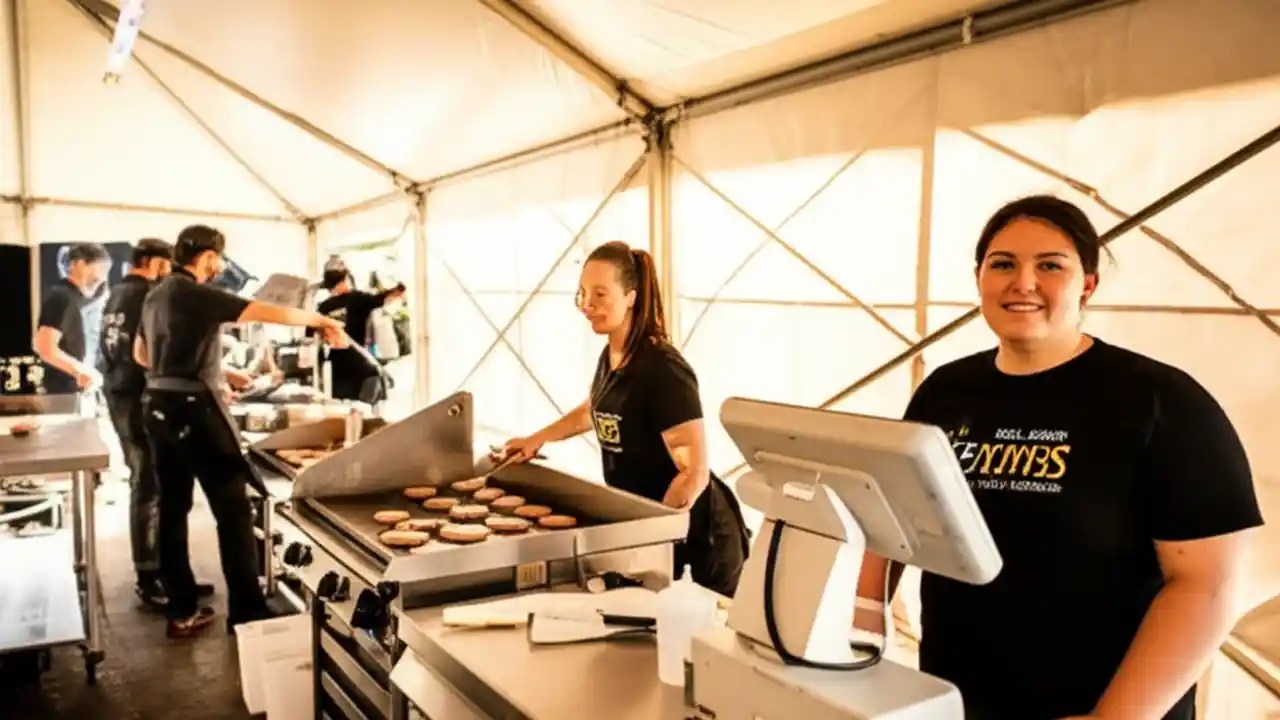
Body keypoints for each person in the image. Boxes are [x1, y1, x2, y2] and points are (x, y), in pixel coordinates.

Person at [854, 195, 1263, 720]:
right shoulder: (945, 392)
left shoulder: (1160, 403)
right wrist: (857, 636)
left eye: (1050, 265)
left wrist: (1115, 718)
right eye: (1003, 264)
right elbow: (893, 524)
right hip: (953, 701)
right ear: (979, 276)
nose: (1023, 283)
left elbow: (1209, 583)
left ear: (1087, 283)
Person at [499, 241, 751, 597]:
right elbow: (595, 410)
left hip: (698, 538)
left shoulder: (663, 369)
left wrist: (648, 537)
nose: (587, 305)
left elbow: (693, 473)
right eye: (583, 293)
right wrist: (536, 438)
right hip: (646, 527)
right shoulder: (612, 356)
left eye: (600, 294)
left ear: (631, 297)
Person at [135, 225, 347, 638]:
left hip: (156, 406)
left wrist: (215, 374)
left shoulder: (155, 294)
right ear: (209, 257)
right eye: (218, 258)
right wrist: (322, 320)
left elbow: (141, 353)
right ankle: (247, 614)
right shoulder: (197, 293)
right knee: (233, 511)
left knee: (172, 509)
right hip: (194, 412)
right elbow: (268, 311)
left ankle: (181, 610)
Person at [98, 238, 216, 611]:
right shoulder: (148, 294)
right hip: (136, 396)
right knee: (148, 483)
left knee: (153, 484)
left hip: (120, 391)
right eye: (167, 264)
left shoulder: (117, 293)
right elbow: (151, 352)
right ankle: (150, 577)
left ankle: (169, 575)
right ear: (154, 262)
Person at [32, 243, 111, 394]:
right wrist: (80, 371)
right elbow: (44, 346)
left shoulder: (72, 299)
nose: (102, 278)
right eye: (101, 269)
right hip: (63, 394)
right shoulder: (62, 298)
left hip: (73, 393)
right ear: (79, 264)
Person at [316, 267, 406, 402]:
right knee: (367, 393)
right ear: (343, 282)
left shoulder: (323, 307)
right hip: (356, 360)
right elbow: (380, 299)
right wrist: (399, 289)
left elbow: (312, 333)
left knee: (340, 403)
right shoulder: (356, 299)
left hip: (334, 364)